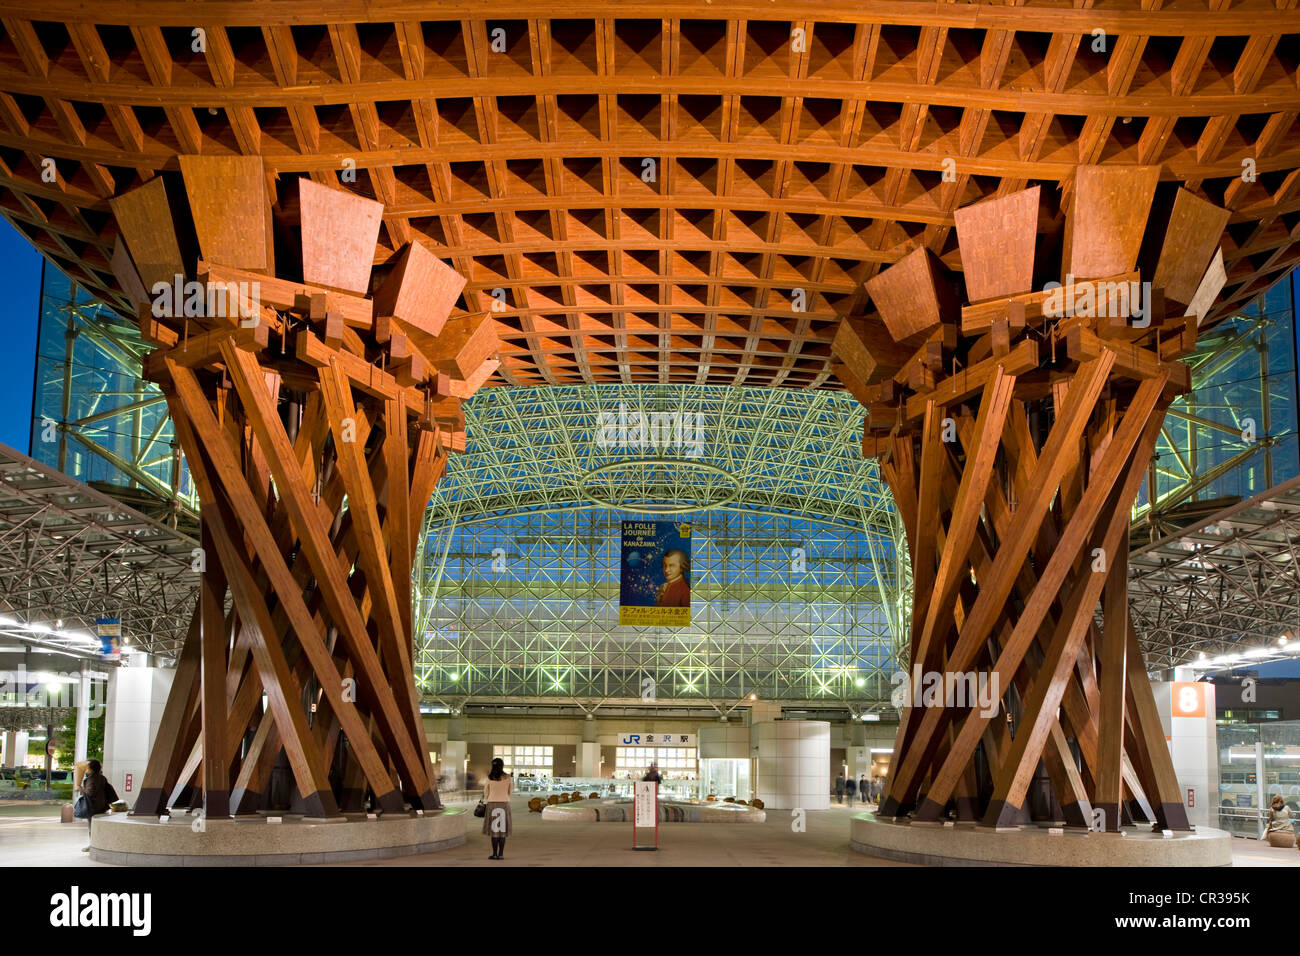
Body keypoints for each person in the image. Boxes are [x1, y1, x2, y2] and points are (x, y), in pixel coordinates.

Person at [482, 757, 513, 860]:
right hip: (504, 804)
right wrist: (505, 796)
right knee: (502, 830)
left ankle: (494, 854)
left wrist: (490, 797)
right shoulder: (508, 777)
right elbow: (510, 791)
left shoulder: (489, 777)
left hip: (492, 805)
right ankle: (501, 854)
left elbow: (486, 792)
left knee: (494, 831)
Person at [79, 758, 110, 852]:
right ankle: (97, 844)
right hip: (102, 805)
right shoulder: (101, 777)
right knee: (97, 827)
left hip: (93, 806)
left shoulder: (92, 778)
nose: (85, 769)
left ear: (91, 768)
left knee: (92, 827)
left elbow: (90, 792)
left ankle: (93, 845)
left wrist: (80, 789)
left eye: (87, 767)